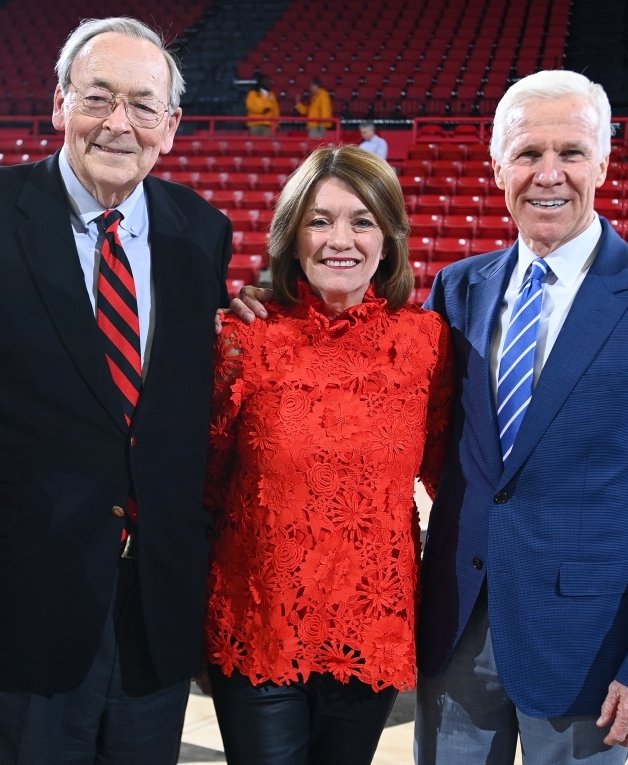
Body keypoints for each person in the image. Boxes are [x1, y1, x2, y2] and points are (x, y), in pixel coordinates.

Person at [232, 70, 628, 763]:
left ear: (604, 163)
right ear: (498, 169)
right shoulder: (459, 288)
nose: (548, 173)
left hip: (586, 645)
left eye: (571, 152)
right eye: (527, 154)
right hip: (455, 629)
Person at [0, 16, 232, 765]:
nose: (118, 123)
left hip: (154, 608)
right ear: (61, 103)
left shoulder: (203, 232)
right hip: (19, 603)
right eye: (98, 98)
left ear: (171, 126)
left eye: (142, 105)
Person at [205, 146, 453, 765]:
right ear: (291, 239)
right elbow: (201, 484)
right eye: (319, 221)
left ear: (389, 239)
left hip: (371, 627)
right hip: (260, 624)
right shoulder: (243, 337)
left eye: (362, 221)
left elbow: (453, 478)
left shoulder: (427, 344)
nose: (340, 240)